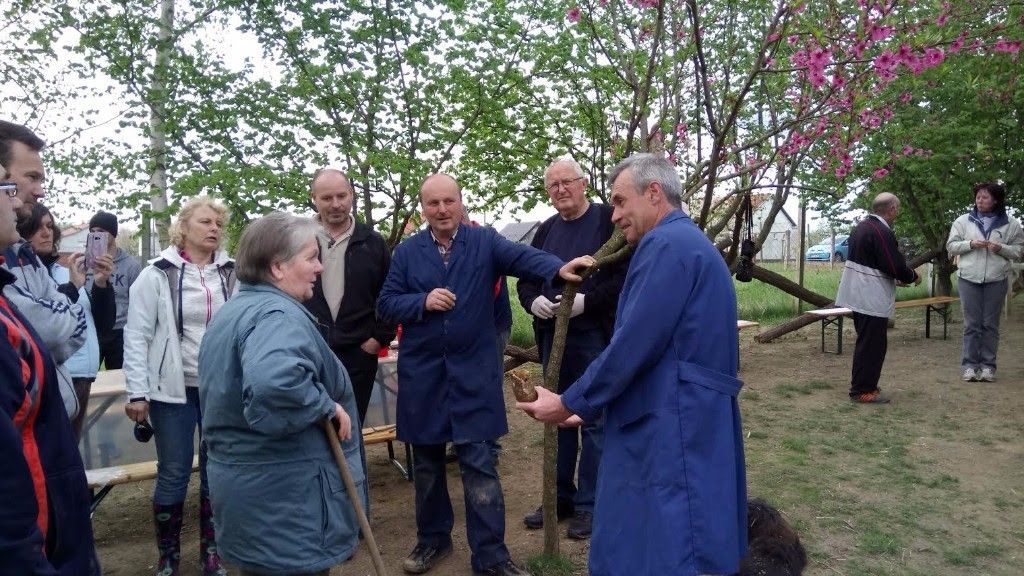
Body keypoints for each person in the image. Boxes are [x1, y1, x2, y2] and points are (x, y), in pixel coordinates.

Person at [517, 153, 748, 576]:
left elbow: (633, 344)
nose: (616, 215)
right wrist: (593, 405)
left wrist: (571, 402)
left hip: (676, 417)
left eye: (621, 202)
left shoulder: (665, 245)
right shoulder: (687, 243)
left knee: (676, 534)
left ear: (654, 193)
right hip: (684, 409)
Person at [377, 173, 592, 576]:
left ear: (460, 202)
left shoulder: (484, 241)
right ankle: (432, 542)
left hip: (473, 374)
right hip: (423, 375)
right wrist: (421, 301)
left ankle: (491, 556)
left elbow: (524, 258)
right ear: (422, 209)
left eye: (448, 202)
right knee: (426, 464)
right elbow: (386, 304)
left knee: (479, 463)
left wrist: (560, 269)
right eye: (433, 204)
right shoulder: (407, 253)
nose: (442, 210)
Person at [198, 212, 365, 576]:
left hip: (255, 495)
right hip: (288, 503)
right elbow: (274, 381)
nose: (319, 267)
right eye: (311, 257)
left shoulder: (237, 310)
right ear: (277, 267)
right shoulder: (276, 315)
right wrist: (325, 405)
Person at [123, 196, 235, 576]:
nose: (214, 229)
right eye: (205, 222)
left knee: (216, 470)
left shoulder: (232, 273)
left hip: (220, 389)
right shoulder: (156, 274)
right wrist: (136, 391)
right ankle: (168, 557)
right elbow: (136, 336)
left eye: (218, 223)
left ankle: (212, 553)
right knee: (173, 471)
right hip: (172, 392)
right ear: (183, 228)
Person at [516, 157, 627, 539]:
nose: (560, 190)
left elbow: (621, 278)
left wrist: (586, 302)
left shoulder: (605, 221)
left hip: (594, 334)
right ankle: (558, 498)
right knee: (555, 412)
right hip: (552, 336)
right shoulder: (546, 230)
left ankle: (589, 505)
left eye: (567, 182)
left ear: (583, 183)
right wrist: (532, 301)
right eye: (553, 185)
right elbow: (525, 278)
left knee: (592, 417)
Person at [0, 164, 101, 575]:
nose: (21, 196)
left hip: (66, 396)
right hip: (30, 531)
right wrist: (70, 297)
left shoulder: (26, 265)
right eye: (7, 184)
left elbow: (74, 327)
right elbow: (58, 331)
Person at [1, 121, 87, 419]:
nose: (40, 191)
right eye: (31, 177)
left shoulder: (22, 252)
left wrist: (42, 340)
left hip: (51, 418)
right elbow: (45, 332)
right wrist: (55, 325)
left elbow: (69, 331)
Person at [304, 168, 395, 425]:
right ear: (314, 198)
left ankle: (353, 468)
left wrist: (378, 339)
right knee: (313, 429)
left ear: (352, 195)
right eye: (327, 198)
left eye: (341, 196)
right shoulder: (296, 240)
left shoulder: (372, 243)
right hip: (310, 351)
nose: (336, 204)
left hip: (358, 354)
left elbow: (389, 294)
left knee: (351, 428)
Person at [17, 203, 115, 440]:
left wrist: (101, 283)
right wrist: (72, 288)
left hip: (84, 376)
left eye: (50, 226)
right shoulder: (20, 277)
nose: (46, 233)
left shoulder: (65, 272)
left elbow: (102, 324)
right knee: (53, 454)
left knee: (71, 451)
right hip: (55, 376)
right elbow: (46, 323)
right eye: (36, 227)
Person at [835, 192, 920, 404]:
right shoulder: (881, 231)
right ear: (891, 209)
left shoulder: (861, 227)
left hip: (859, 293)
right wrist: (911, 276)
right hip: (870, 296)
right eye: (897, 209)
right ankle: (863, 390)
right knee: (872, 345)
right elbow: (894, 265)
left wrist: (895, 276)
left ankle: (865, 385)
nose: (897, 212)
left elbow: (876, 263)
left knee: (867, 342)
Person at [946, 182, 1024, 382]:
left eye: (985, 197)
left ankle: (988, 366)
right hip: (968, 278)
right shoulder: (963, 221)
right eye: (978, 197)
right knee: (972, 324)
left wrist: (1002, 249)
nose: (980, 200)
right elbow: (952, 246)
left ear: (995, 200)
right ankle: (970, 366)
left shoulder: (1011, 224)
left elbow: (1019, 250)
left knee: (990, 324)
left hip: (996, 279)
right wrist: (970, 244)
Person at [87, 210, 142, 370]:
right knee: (88, 377)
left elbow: (137, 302)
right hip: (92, 327)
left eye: (102, 231)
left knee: (119, 379)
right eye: (93, 231)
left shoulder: (131, 266)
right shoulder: (87, 263)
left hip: (119, 331)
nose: (96, 235)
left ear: (113, 233)